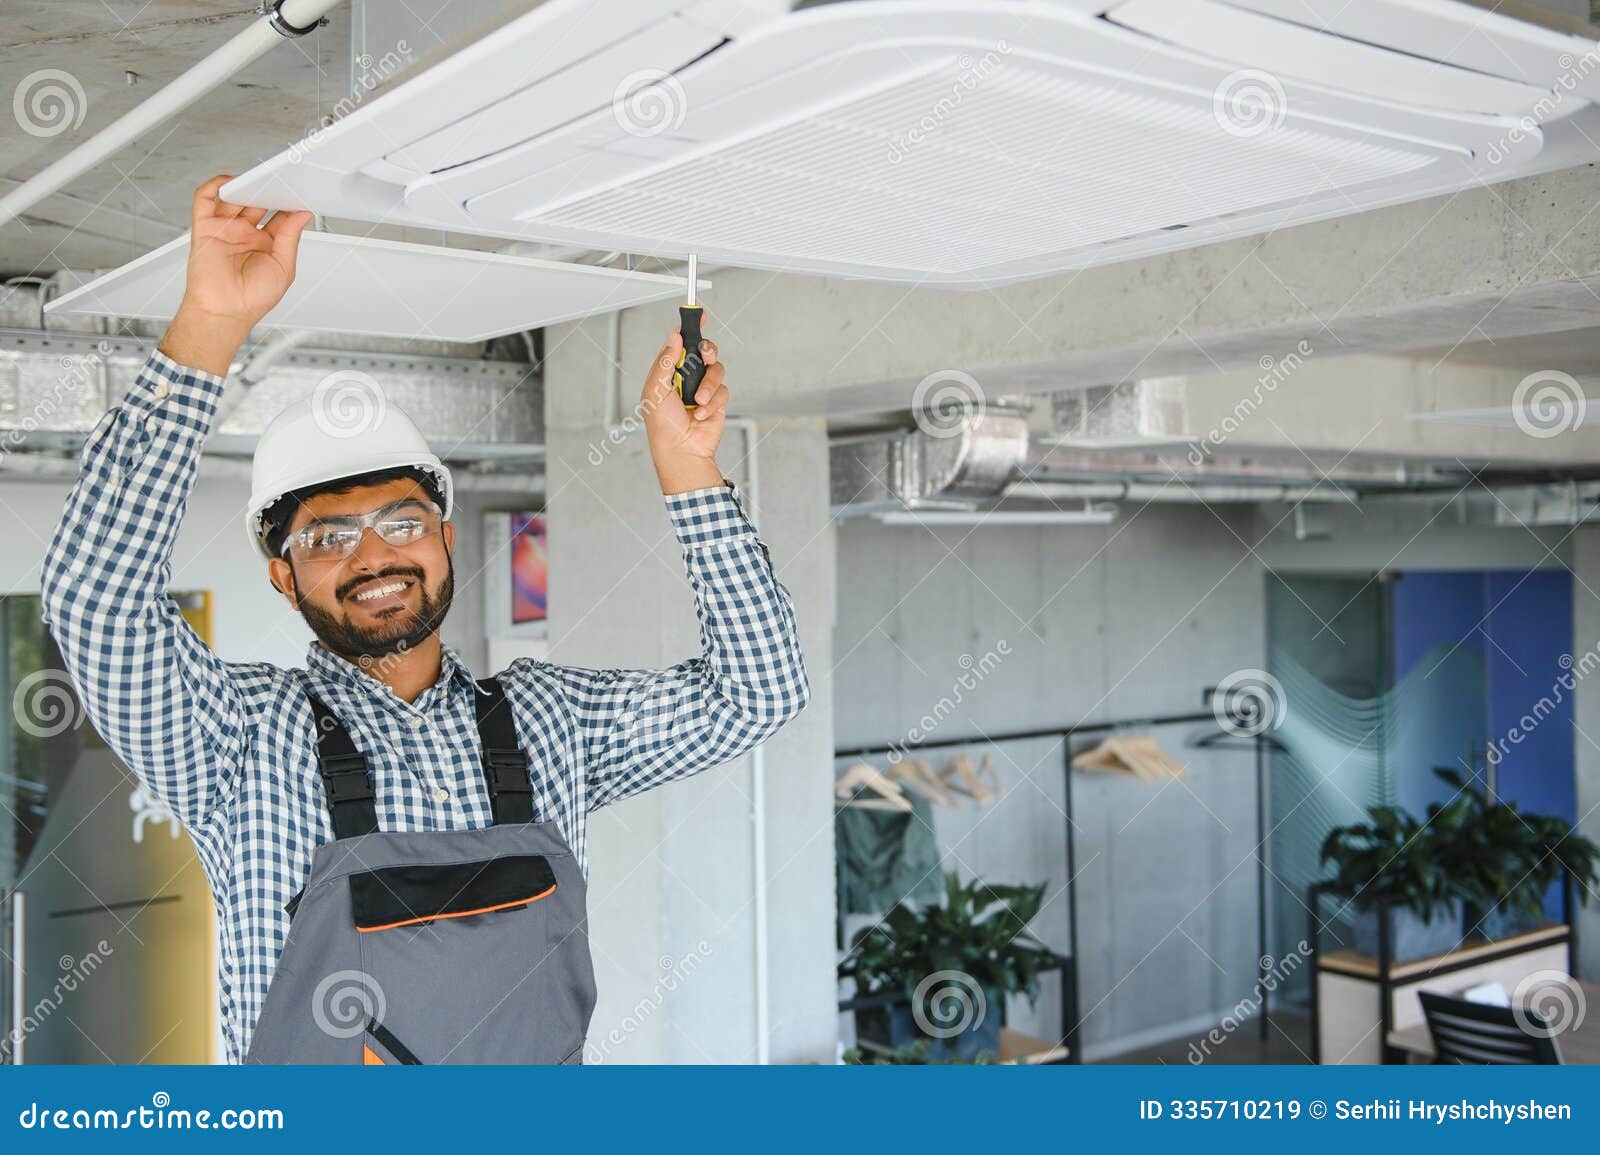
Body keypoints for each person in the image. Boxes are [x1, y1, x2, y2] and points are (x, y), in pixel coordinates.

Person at [39, 175, 809, 1064]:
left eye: (401, 521)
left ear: (444, 537)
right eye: (328, 535)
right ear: (283, 579)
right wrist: (208, 329)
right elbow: (97, 598)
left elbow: (762, 690)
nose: (373, 557)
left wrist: (685, 469)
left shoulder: (550, 722)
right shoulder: (236, 739)